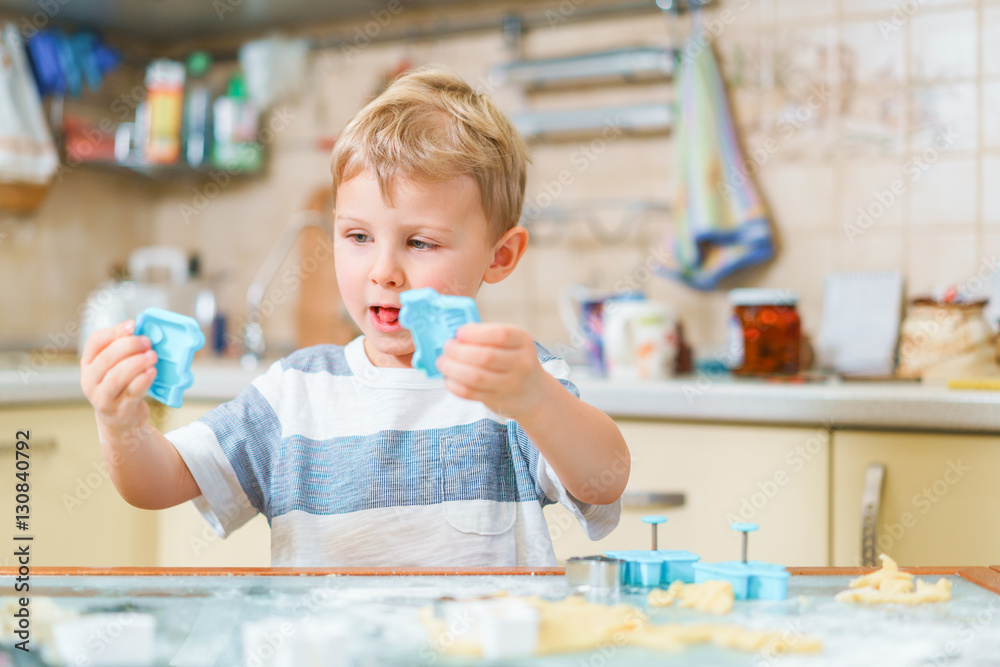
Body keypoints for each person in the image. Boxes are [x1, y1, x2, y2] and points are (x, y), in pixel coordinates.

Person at [80, 67, 630, 567]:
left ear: (500, 256)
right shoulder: (295, 392)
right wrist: (122, 423)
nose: (383, 271)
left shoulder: (516, 382)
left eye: (420, 242)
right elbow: (156, 483)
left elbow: (604, 480)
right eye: (359, 236)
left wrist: (536, 396)